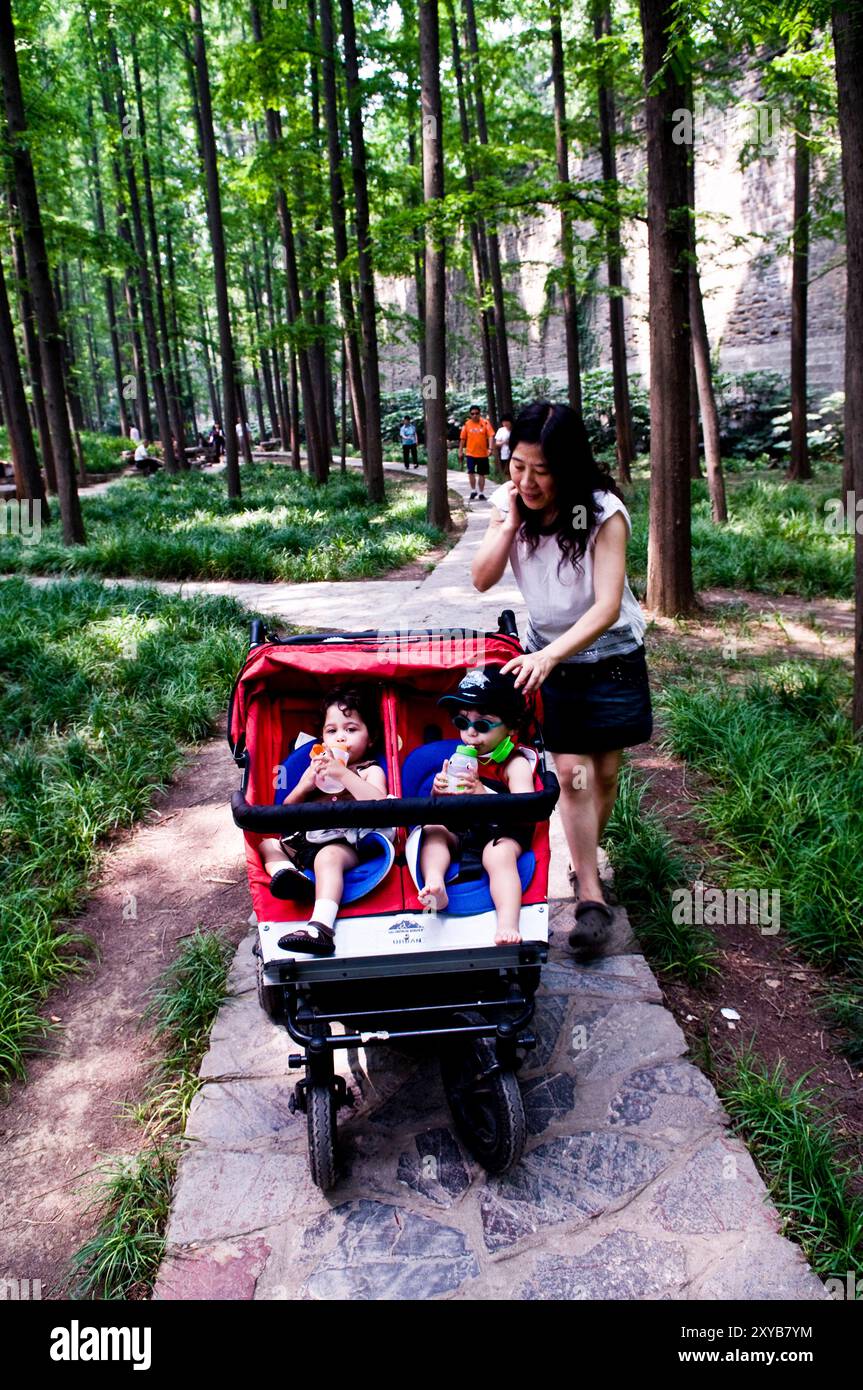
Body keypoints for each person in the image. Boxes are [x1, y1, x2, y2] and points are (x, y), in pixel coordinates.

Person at [471, 400, 653, 960]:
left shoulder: (602, 513)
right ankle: (590, 894)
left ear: (568, 467)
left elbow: (604, 608)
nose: (526, 480)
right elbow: (481, 579)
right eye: (518, 465)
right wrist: (508, 519)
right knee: (572, 772)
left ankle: (586, 858)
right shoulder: (513, 504)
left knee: (605, 776)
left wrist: (550, 654)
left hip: (613, 657)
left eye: (541, 471)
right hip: (552, 662)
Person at [258, 686, 391, 957]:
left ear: (371, 737)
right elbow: (287, 813)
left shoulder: (369, 770)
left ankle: (321, 927)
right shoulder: (315, 770)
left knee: (327, 857)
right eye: (332, 731)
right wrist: (305, 785)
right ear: (322, 739)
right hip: (308, 841)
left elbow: (379, 805)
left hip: (349, 844)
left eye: (351, 730)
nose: (340, 736)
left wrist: (344, 775)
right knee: (267, 844)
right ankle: (290, 876)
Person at [417, 666, 536, 946]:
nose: (470, 733)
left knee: (498, 857)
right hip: (466, 828)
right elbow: (446, 806)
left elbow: (526, 807)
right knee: (433, 830)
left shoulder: (513, 763)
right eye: (462, 722)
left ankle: (508, 922)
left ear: (511, 728)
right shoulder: (461, 758)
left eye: (482, 725)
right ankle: (435, 884)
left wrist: (483, 792)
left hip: (502, 832)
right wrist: (440, 790)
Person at [459, 404, 495, 501]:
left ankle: (481, 493)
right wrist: (460, 451)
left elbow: (491, 436)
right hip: (470, 453)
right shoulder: (467, 424)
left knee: (482, 474)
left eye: (477, 413)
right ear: (470, 414)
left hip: (483, 454)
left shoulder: (485, 423)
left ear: (480, 414)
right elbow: (462, 439)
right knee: (471, 472)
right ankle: (473, 490)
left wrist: (491, 448)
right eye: (472, 414)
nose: (475, 415)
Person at [494, 413, 513, 478]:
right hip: (504, 454)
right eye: (503, 422)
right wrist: (504, 442)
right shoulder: (501, 430)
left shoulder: (515, 430)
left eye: (507, 421)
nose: (505, 423)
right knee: (506, 471)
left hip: (514, 454)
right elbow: (497, 443)